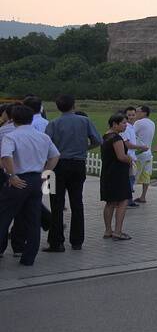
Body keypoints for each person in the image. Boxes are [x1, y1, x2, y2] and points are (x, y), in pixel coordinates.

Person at [0, 104, 60, 266]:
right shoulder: (43, 137)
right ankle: (28, 258)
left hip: (19, 179)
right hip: (36, 179)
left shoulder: (11, 136)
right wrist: (45, 172)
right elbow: (55, 156)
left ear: (13, 120)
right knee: (33, 220)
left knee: (4, 216)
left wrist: (12, 175)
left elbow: (6, 156)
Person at [43, 95, 101, 252]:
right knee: (77, 202)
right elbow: (97, 140)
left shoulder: (53, 123)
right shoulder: (84, 121)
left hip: (57, 165)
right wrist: (84, 149)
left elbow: (46, 146)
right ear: (74, 105)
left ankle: (56, 242)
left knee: (56, 204)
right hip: (78, 164)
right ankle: (77, 241)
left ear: (58, 107)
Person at [100, 114, 133, 241]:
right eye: (123, 123)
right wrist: (130, 159)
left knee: (110, 202)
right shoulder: (116, 138)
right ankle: (118, 231)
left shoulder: (106, 136)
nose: (125, 125)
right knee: (123, 201)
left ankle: (108, 230)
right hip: (118, 174)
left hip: (108, 172)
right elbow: (121, 156)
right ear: (115, 124)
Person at [132, 106, 155, 204]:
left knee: (133, 175)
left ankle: (128, 198)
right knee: (146, 176)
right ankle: (143, 196)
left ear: (144, 113)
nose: (135, 113)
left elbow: (131, 133)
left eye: (137, 111)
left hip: (139, 153)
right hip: (148, 153)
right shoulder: (152, 123)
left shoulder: (138, 123)